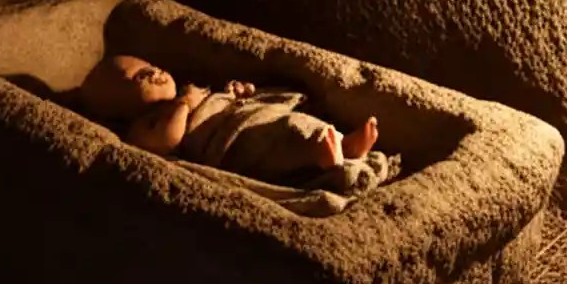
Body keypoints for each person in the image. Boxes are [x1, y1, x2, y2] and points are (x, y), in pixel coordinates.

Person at [79, 55, 381, 186]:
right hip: (229, 142)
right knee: (278, 138)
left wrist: (236, 92)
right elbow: (167, 139)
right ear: (120, 110)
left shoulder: (183, 93)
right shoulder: (142, 127)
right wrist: (186, 103)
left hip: (240, 117)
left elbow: (219, 102)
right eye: (136, 77)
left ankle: (343, 144)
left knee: (289, 118)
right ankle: (324, 157)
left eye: (147, 65)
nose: (152, 71)